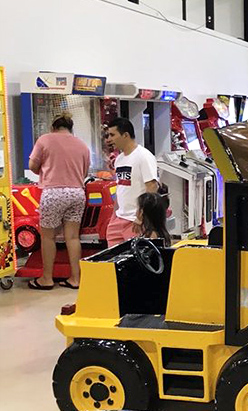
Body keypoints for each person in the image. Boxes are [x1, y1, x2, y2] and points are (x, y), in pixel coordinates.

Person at [27, 113, 91, 290]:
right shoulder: (82, 144)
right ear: (70, 128)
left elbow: (32, 166)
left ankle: (46, 278)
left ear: (53, 127)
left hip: (53, 192)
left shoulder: (45, 139)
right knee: (72, 237)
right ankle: (75, 278)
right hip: (77, 193)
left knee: (48, 237)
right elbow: (84, 172)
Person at [105, 117, 158, 247]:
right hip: (118, 219)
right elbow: (121, 187)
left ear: (125, 135)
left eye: (112, 135)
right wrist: (114, 215)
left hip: (136, 221)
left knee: (137, 261)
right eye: (108, 135)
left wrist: (140, 216)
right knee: (114, 261)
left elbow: (152, 187)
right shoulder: (119, 159)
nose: (109, 139)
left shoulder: (143, 156)